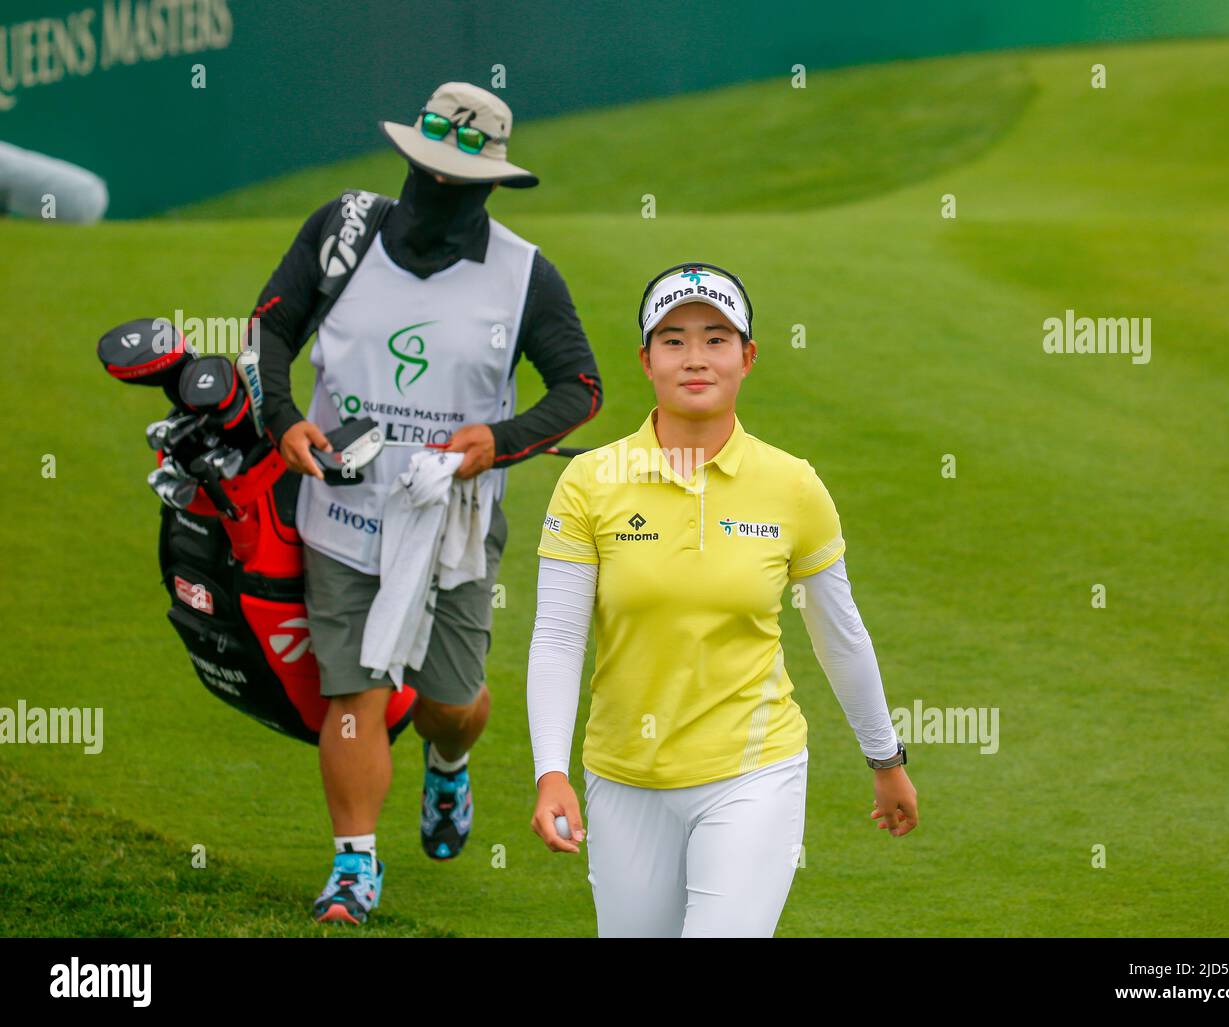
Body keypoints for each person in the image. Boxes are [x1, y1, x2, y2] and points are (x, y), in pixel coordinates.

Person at [249, 82, 603, 923]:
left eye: (461, 177)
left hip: (454, 525)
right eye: (429, 171)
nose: (441, 190)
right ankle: (354, 866)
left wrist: (498, 440)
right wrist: (284, 416)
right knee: (355, 689)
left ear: (492, 184)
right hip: (341, 512)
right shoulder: (341, 233)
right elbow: (269, 326)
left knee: (450, 697)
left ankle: (448, 762)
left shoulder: (523, 274)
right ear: (410, 161)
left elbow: (581, 389)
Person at [526, 261, 917, 936]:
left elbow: (839, 632)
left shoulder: (792, 485)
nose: (695, 358)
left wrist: (886, 761)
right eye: (673, 340)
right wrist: (550, 772)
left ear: (748, 356)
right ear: (646, 360)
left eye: (716, 337)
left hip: (751, 772)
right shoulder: (591, 482)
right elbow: (559, 636)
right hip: (623, 778)